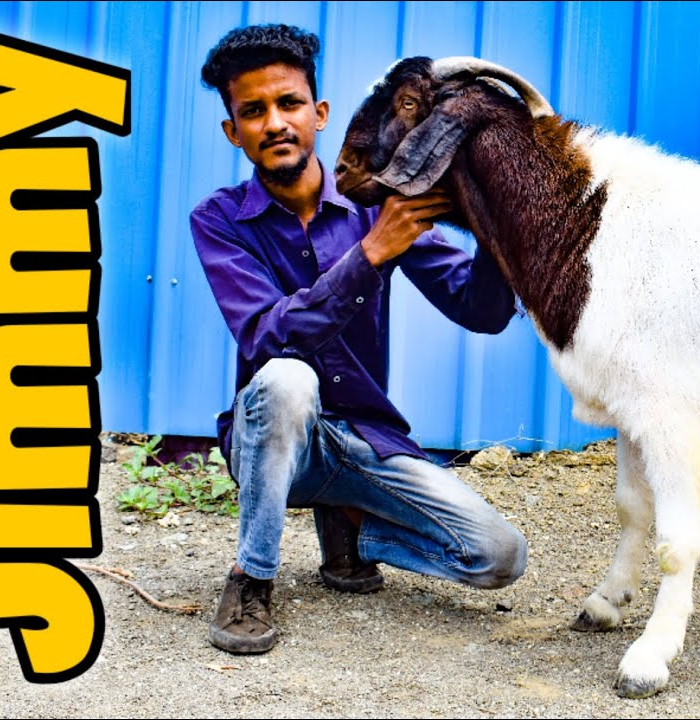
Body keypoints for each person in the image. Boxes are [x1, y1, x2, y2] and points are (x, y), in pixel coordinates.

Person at [191, 24, 528, 654]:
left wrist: (491, 226)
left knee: (499, 556)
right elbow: (266, 336)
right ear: (233, 131)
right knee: (289, 377)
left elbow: (478, 309)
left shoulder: (380, 208)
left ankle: (352, 526)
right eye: (252, 112)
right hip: (274, 446)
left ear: (317, 113)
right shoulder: (219, 220)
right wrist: (371, 255)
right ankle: (251, 579)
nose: (275, 124)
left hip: (364, 440)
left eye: (288, 104)